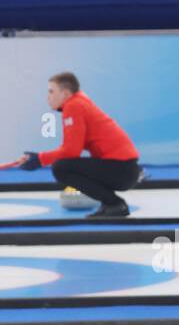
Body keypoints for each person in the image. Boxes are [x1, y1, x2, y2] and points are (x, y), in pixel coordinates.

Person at [9, 73, 140, 219]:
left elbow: (71, 150)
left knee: (62, 168)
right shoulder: (79, 102)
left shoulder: (74, 106)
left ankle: (114, 204)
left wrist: (39, 159)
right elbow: (72, 147)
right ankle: (111, 203)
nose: (48, 97)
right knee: (65, 165)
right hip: (125, 169)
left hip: (122, 171)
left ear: (65, 93)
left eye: (51, 91)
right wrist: (39, 158)